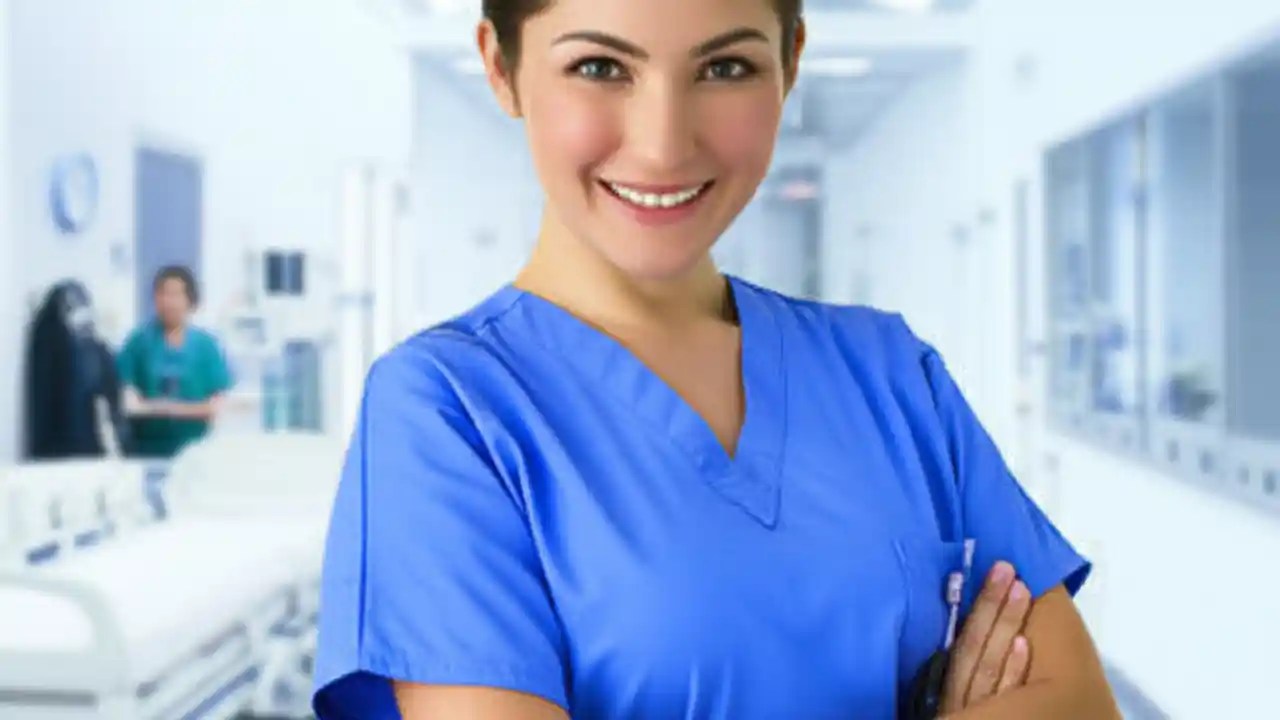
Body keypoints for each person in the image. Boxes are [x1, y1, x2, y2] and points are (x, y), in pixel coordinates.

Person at [313, 1, 1120, 718]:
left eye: (725, 67)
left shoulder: (890, 373)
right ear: (502, 66)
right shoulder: (447, 409)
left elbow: (1079, 703)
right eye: (600, 67)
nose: (663, 144)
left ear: (791, 62)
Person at [117, 266, 231, 459]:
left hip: (195, 451)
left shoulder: (206, 346)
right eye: (162, 294)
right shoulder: (138, 342)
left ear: (191, 301)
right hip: (145, 449)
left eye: (176, 295)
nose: (168, 302)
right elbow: (129, 402)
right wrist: (181, 409)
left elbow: (215, 406)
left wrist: (164, 408)